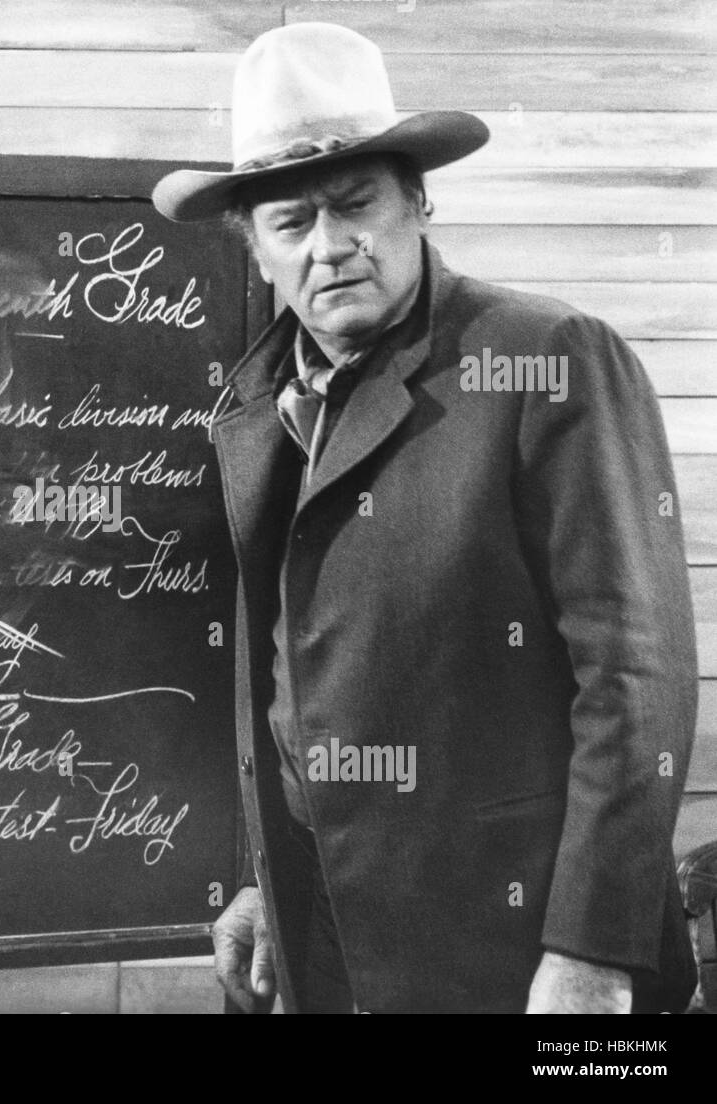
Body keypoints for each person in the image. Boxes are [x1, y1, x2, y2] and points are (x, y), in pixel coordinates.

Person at [152, 23, 697, 1013]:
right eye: (290, 223)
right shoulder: (258, 410)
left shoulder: (545, 356)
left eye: (356, 204)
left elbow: (637, 675)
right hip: (330, 948)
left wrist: (594, 951)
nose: (329, 246)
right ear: (255, 247)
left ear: (417, 199)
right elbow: (295, 679)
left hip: (519, 957)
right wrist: (269, 883)